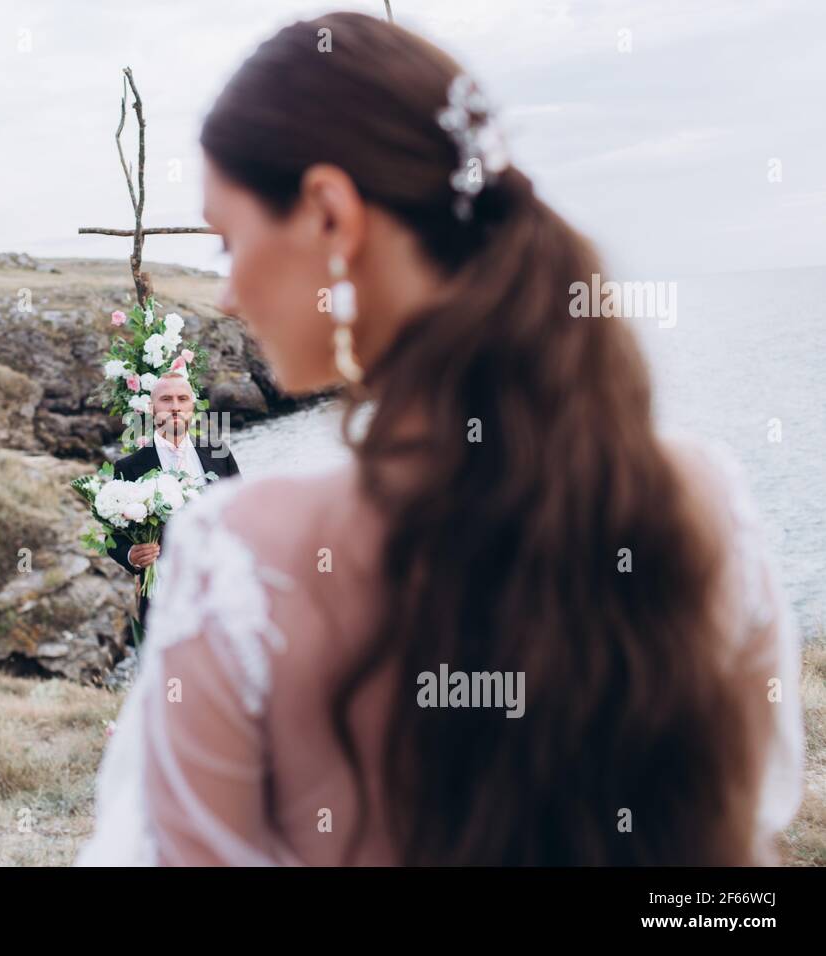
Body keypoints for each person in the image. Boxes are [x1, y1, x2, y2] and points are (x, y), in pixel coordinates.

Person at [76, 12, 803, 865]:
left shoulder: (238, 556)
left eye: (231, 241)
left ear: (331, 217)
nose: (229, 294)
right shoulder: (704, 505)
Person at [106, 372, 241, 642]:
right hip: (164, 603)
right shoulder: (129, 467)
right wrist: (132, 554)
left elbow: (244, 515)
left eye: (183, 399)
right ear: (152, 408)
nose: (175, 406)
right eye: (166, 399)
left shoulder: (219, 453)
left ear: (193, 406)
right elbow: (113, 538)